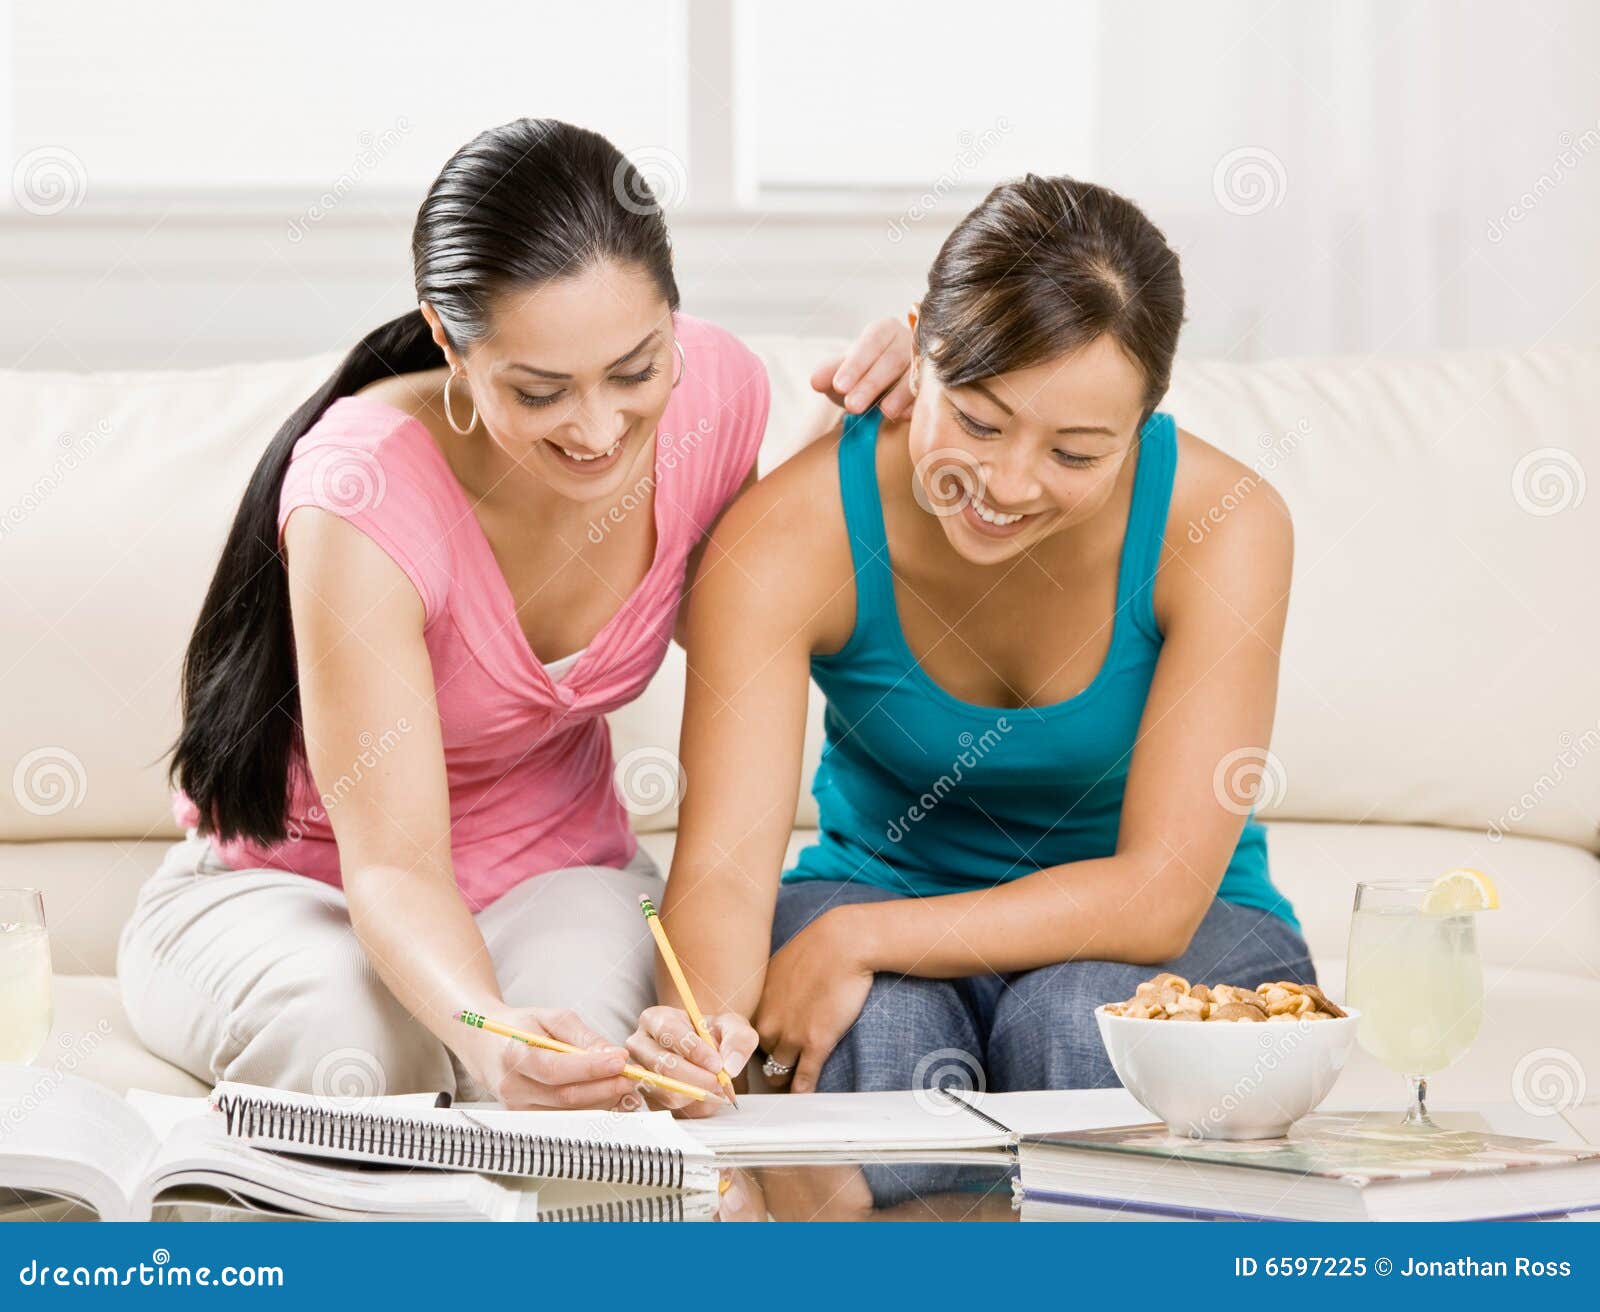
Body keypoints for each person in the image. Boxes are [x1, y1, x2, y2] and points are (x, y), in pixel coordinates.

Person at [117, 118, 908, 1111]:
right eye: (540, 392)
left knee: (595, 1069)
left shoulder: (713, 400)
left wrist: (910, 410)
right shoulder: (362, 490)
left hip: (558, 877)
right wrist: (489, 1038)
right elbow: (396, 871)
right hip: (300, 889)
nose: (599, 429)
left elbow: (758, 611)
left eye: (636, 370)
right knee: (349, 1043)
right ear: (450, 341)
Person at [642, 173, 1313, 1099]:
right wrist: (701, 1043)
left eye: (1075, 452)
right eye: (979, 421)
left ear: (1144, 420)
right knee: (881, 1029)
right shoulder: (793, 535)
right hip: (880, 881)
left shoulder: (1225, 522)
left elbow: (1158, 896)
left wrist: (859, 938)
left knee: (1077, 1017)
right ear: (917, 351)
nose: (1006, 484)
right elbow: (721, 873)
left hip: (1186, 927)